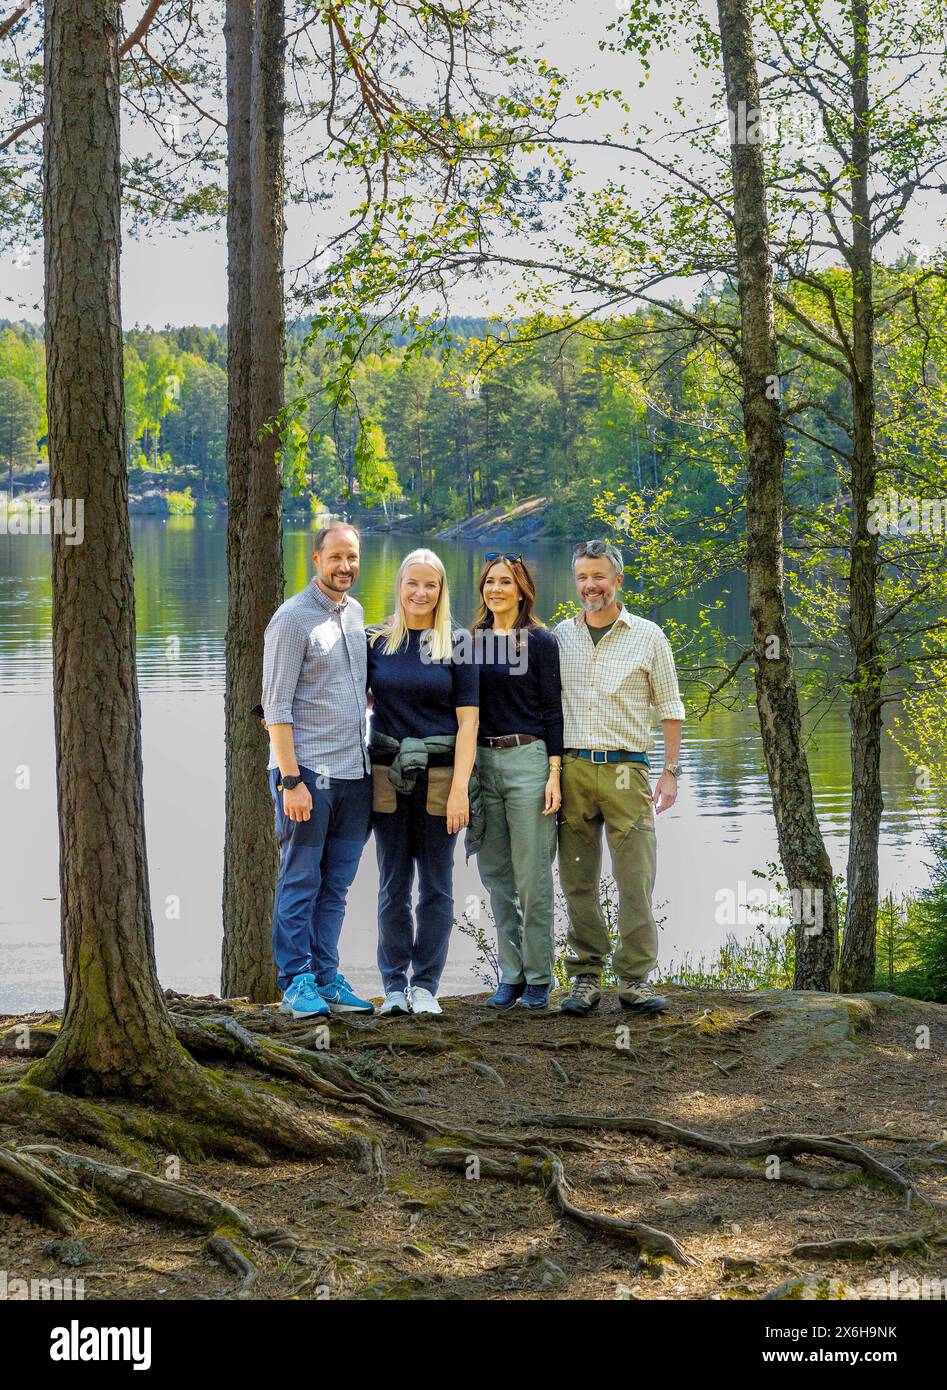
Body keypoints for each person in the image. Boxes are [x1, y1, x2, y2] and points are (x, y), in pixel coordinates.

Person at [555, 539, 684, 1016]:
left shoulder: (648, 636)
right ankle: (585, 977)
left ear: (618, 580)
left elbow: (671, 709)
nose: (591, 586)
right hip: (572, 769)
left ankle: (634, 980)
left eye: (599, 577)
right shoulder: (560, 637)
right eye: (583, 577)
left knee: (636, 879)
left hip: (629, 770)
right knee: (577, 881)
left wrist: (669, 773)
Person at [261, 523, 374, 1019]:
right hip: (306, 773)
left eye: (351, 557)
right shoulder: (291, 620)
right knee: (301, 879)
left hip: (354, 772)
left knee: (337, 885)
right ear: (316, 559)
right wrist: (291, 780)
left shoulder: (356, 615)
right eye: (336, 557)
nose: (345, 566)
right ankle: (296, 982)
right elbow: (276, 706)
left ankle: (327, 977)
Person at [367, 548, 482, 1017]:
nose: (420, 592)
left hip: (440, 778)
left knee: (437, 885)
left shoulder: (458, 644)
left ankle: (427, 986)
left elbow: (469, 726)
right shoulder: (375, 642)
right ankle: (394, 985)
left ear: (441, 590)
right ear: (399, 585)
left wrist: (460, 788)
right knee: (393, 883)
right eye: (412, 583)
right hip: (387, 776)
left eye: (430, 585)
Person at [472, 553, 563, 1012]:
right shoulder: (473, 642)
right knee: (497, 878)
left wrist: (554, 773)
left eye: (505, 582)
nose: (496, 590)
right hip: (483, 764)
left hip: (529, 761)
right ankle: (511, 975)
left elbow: (553, 712)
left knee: (532, 878)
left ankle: (540, 978)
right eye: (490, 582)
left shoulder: (540, 642)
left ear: (522, 588)